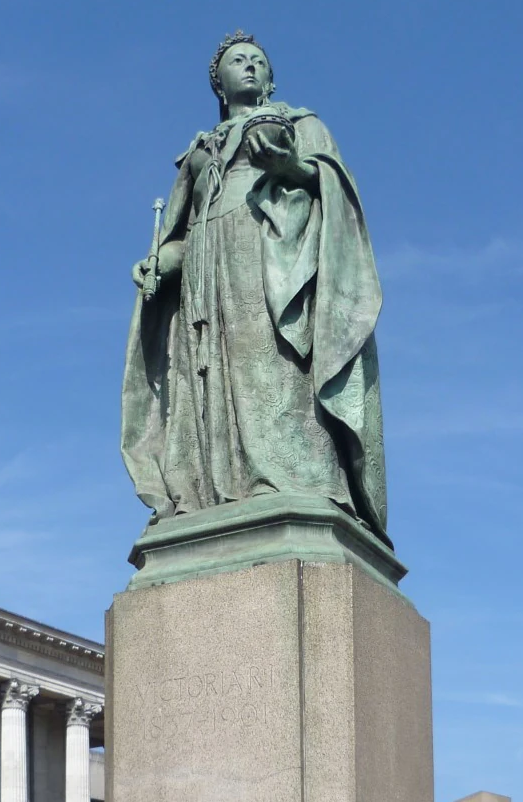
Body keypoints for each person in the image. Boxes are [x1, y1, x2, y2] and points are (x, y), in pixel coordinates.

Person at [122, 30, 389, 546]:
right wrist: (159, 264)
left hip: (270, 254)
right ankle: (214, 490)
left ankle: (300, 480)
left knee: (272, 367)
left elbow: (331, 181)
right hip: (206, 269)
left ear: (270, 79)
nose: (249, 67)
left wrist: (289, 167)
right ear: (218, 83)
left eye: (258, 62)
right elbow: (183, 231)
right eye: (238, 61)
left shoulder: (298, 121)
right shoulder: (200, 151)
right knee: (209, 380)